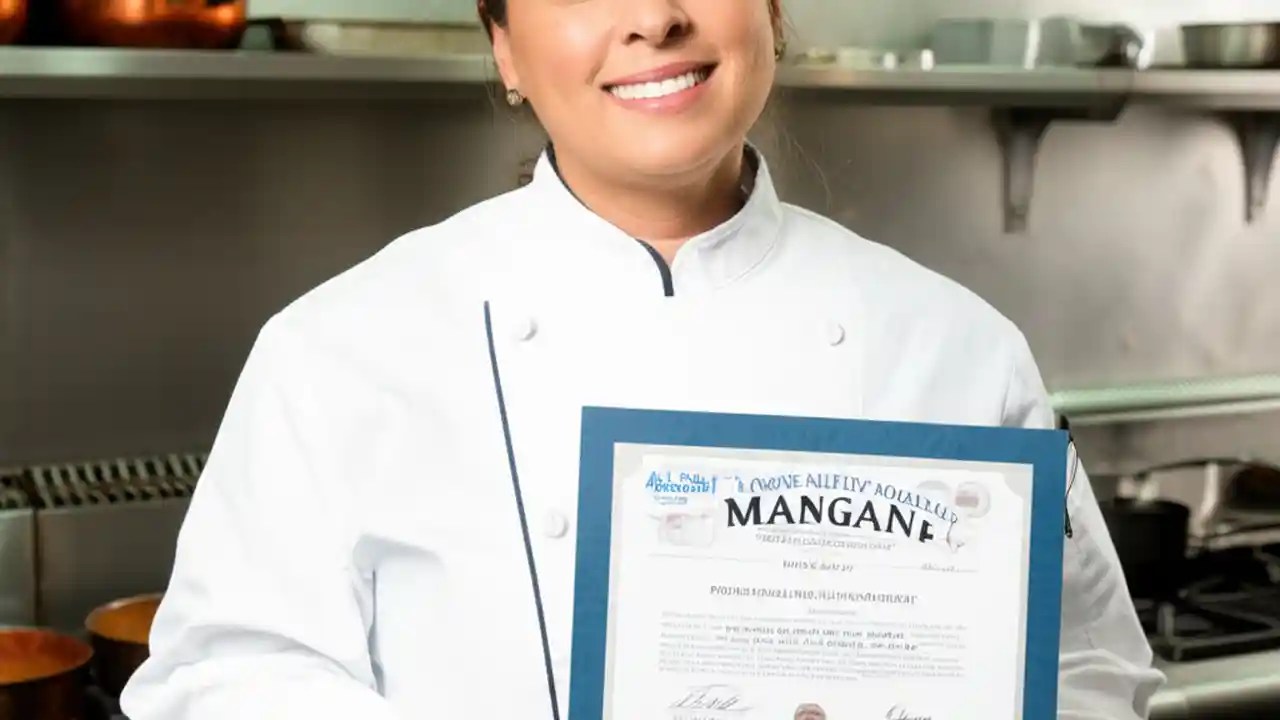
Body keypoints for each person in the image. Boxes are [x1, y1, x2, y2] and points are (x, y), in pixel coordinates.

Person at [120, 0, 1165, 718]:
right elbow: (224, 679)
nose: (651, 17)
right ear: (504, 48)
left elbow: (1088, 669)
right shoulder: (338, 350)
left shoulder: (956, 347)